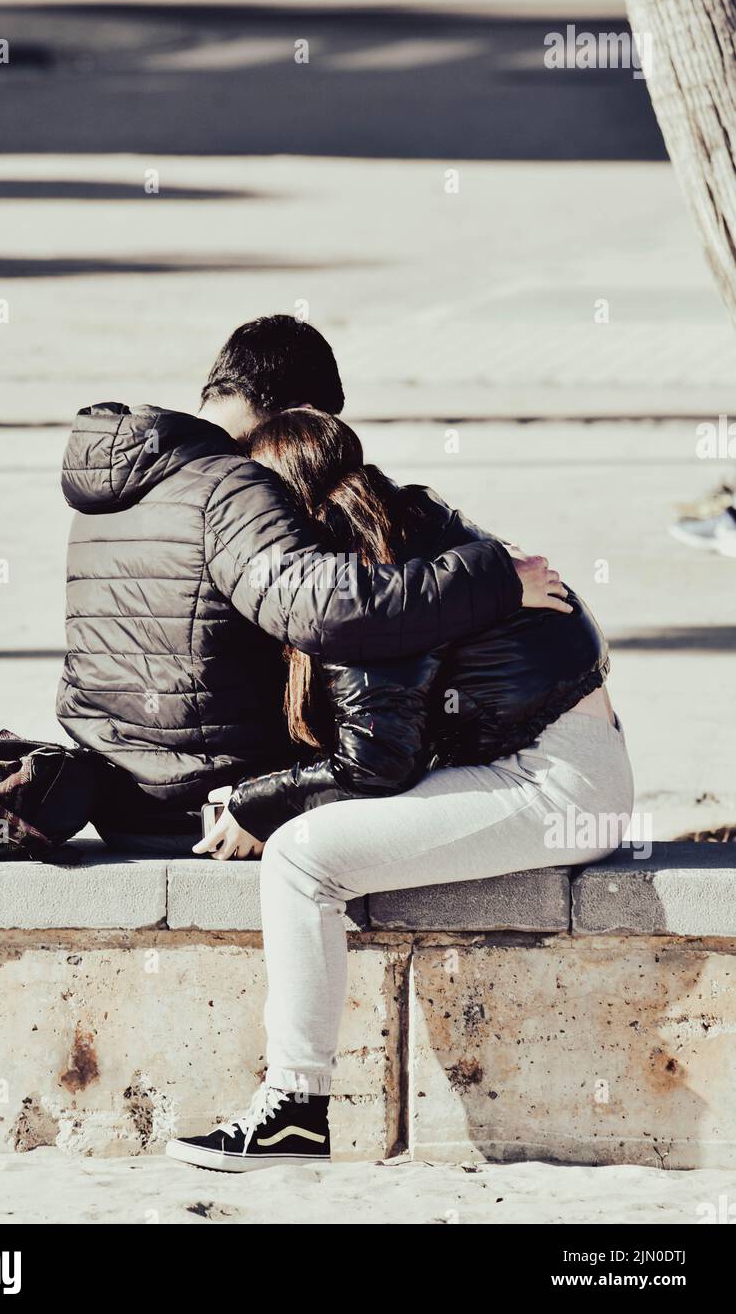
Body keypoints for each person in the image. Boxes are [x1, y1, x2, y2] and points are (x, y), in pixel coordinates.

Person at [166, 410, 633, 1172]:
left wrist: (259, 803)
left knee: (300, 860)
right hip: (559, 763)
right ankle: (293, 1110)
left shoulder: (365, 570)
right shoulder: (404, 520)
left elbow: (379, 763)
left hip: (556, 786)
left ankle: (296, 1109)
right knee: (313, 844)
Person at [56, 316, 566, 847]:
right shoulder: (231, 486)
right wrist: (496, 580)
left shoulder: (112, 496)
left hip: (122, 803)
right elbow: (334, 610)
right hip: (224, 808)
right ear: (300, 415)